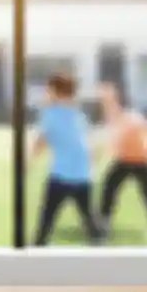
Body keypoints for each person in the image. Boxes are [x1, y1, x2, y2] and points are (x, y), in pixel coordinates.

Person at [32, 72, 104, 246]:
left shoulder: (50, 114)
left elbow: (40, 142)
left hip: (61, 175)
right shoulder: (79, 115)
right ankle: (102, 251)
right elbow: (91, 146)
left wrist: (28, 161)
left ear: (55, 91)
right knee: (90, 221)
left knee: (46, 221)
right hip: (83, 175)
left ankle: (35, 255)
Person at [96, 83, 147, 237]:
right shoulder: (115, 116)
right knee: (109, 186)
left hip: (142, 161)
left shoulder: (131, 116)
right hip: (125, 160)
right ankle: (104, 219)